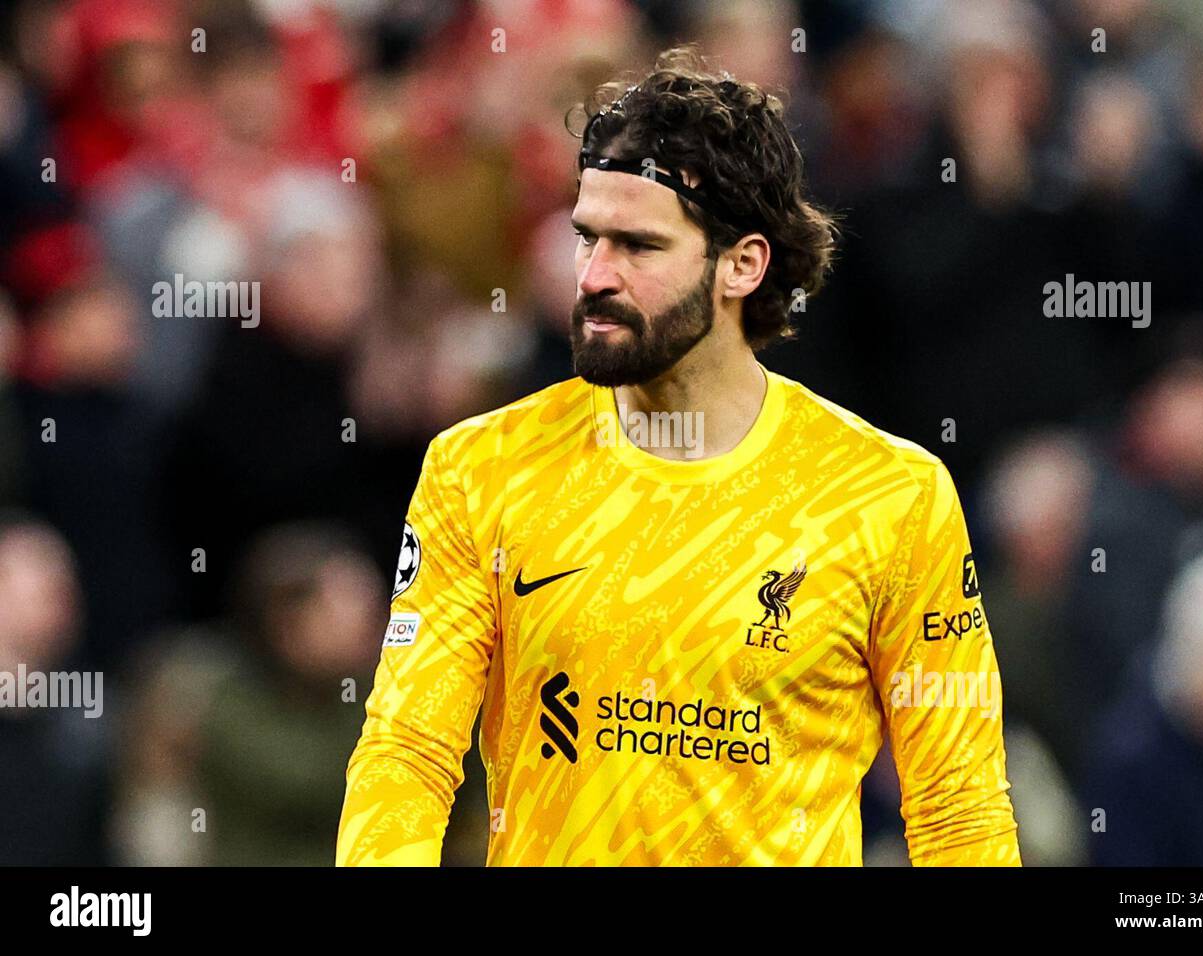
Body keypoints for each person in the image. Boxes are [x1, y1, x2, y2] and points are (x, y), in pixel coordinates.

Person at [336, 46, 1021, 866]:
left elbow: (959, 808)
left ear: (743, 265)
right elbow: (407, 754)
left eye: (638, 246)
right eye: (587, 236)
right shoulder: (480, 468)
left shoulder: (891, 497)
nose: (592, 275)